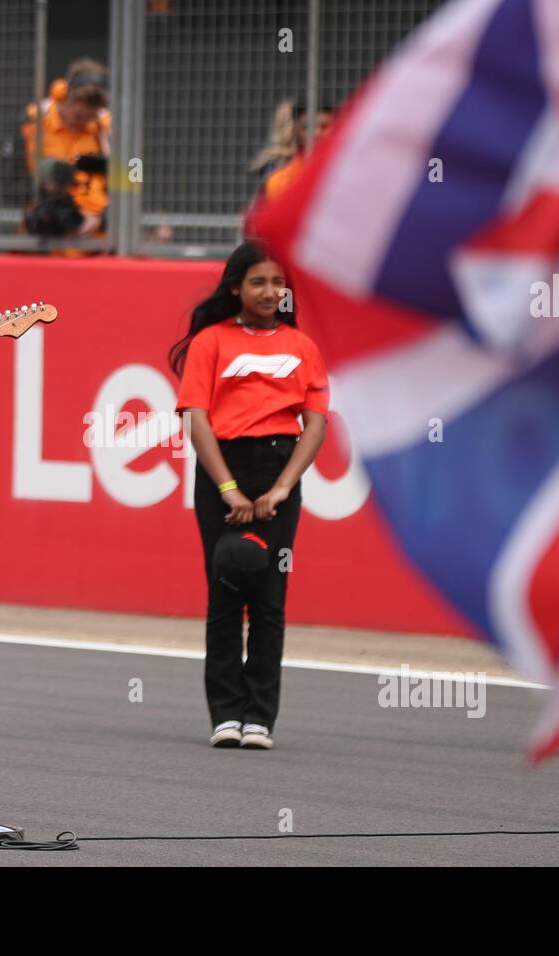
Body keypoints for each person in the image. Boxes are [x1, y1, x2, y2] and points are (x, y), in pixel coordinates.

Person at [170, 241, 329, 750]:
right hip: (223, 470)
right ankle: (225, 715)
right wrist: (229, 489)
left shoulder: (302, 346)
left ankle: (260, 716)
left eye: (278, 282)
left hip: (279, 470)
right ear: (236, 287)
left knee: (269, 598)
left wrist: (282, 487)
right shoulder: (210, 342)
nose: (269, 291)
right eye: (257, 281)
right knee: (224, 592)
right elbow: (197, 419)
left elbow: (315, 424)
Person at [20, 58, 110, 240]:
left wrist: (102, 219)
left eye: (89, 117)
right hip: (46, 238)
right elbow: (13, 181)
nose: (82, 122)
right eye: (78, 116)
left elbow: (127, 184)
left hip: (96, 240)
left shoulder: (105, 129)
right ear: (65, 98)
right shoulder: (34, 123)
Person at [259, 100, 334, 201]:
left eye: (324, 126)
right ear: (295, 130)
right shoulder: (280, 175)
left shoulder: (346, 164)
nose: (317, 133)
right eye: (307, 127)